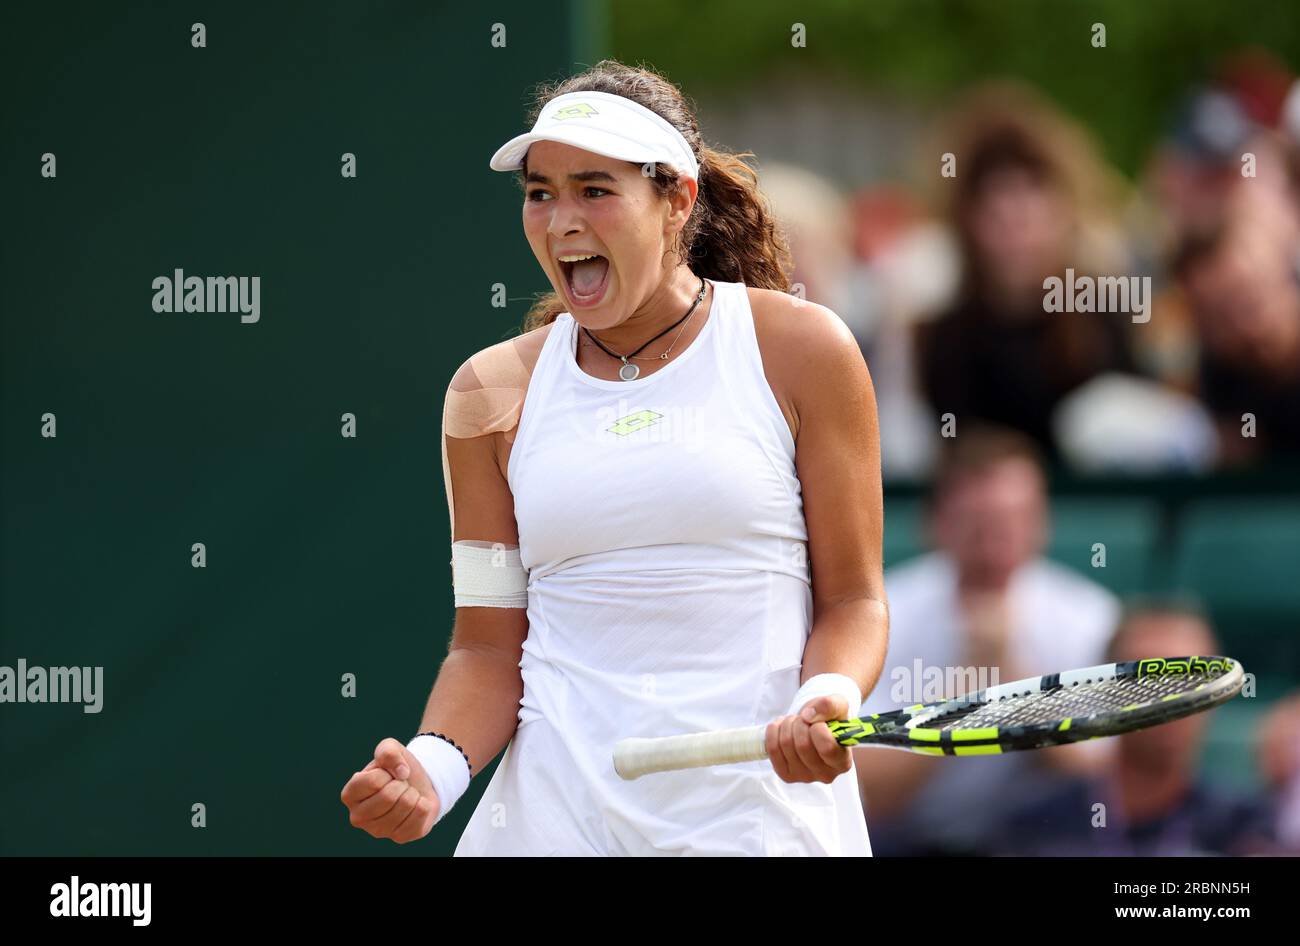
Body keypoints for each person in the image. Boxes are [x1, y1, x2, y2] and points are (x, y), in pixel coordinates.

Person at [338, 60, 888, 855]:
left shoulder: (802, 348)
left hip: (755, 824)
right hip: (548, 825)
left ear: (677, 201)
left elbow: (854, 602)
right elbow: (488, 646)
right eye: (540, 192)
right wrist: (431, 771)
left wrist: (828, 695)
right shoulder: (486, 395)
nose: (562, 220)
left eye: (594, 189)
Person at [856, 426, 1119, 855]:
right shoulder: (885, 613)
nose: (995, 546)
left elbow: (1103, 786)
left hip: (1039, 842)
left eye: (1015, 521)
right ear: (937, 524)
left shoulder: (1088, 615)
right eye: (978, 524)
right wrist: (956, 707)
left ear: (1042, 523)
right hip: (902, 839)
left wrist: (1021, 693)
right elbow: (867, 792)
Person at [991, 604, 1280, 856]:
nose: (1170, 698)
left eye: (1192, 680)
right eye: (1146, 681)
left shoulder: (1247, 827)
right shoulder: (1034, 830)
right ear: (1106, 694)